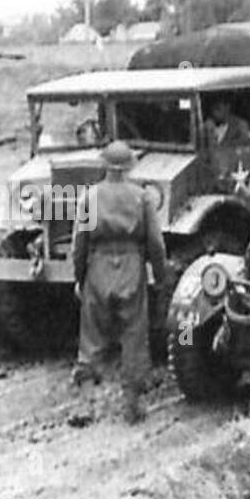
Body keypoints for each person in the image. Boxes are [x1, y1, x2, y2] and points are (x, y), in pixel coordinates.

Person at [71, 140, 168, 422]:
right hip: (132, 267)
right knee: (133, 335)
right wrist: (160, 277)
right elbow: (155, 242)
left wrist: (79, 278)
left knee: (91, 339)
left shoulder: (89, 197)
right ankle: (132, 406)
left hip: (97, 267)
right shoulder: (142, 197)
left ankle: (85, 406)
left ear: (104, 164)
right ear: (129, 166)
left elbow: (79, 242)